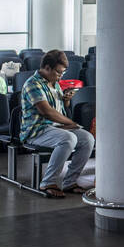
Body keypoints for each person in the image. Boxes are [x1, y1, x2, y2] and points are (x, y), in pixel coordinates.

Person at [20, 50, 94, 198]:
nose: (61, 76)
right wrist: (71, 122)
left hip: (56, 128)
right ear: (47, 68)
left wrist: (66, 100)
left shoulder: (55, 83)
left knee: (88, 139)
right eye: (59, 72)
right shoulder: (32, 84)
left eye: (62, 73)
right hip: (37, 130)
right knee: (68, 138)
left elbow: (59, 108)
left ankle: (70, 182)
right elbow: (47, 111)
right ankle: (48, 182)